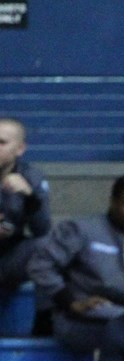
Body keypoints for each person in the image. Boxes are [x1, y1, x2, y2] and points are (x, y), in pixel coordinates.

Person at [28, 175, 124, 355]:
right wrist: (71, 302)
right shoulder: (81, 230)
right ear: (113, 202)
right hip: (79, 318)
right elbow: (40, 265)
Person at [0, 117, 50, 298]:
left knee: (49, 244)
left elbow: (42, 230)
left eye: (2, 143)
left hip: (8, 258)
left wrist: (30, 197)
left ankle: (48, 317)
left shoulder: (31, 176)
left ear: (20, 149)